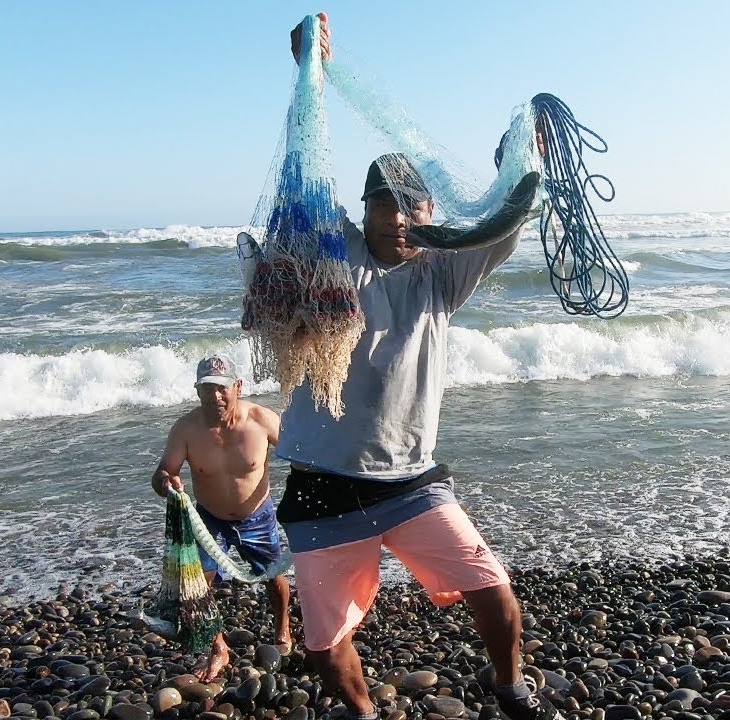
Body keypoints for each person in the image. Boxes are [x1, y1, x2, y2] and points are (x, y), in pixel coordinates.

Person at [281, 14, 564, 720]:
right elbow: (302, 180)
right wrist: (307, 72)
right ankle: (364, 710)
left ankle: (508, 684)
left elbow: (507, 219)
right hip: (323, 483)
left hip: (412, 480)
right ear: (366, 210)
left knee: (493, 588)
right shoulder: (334, 255)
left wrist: (522, 159)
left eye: (412, 205)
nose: (400, 217)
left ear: (430, 210)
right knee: (324, 639)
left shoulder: (442, 276)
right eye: (386, 204)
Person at [152, 354, 291, 682]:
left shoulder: (260, 419)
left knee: (274, 577)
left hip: (258, 516)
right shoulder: (186, 429)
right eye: (207, 388)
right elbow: (161, 474)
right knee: (199, 583)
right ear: (197, 391)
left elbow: (304, 454)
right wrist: (166, 483)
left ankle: (283, 629)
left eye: (222, 388)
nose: (215, 396)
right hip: (210, 520)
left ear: (238, 387)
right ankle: (218, 646)